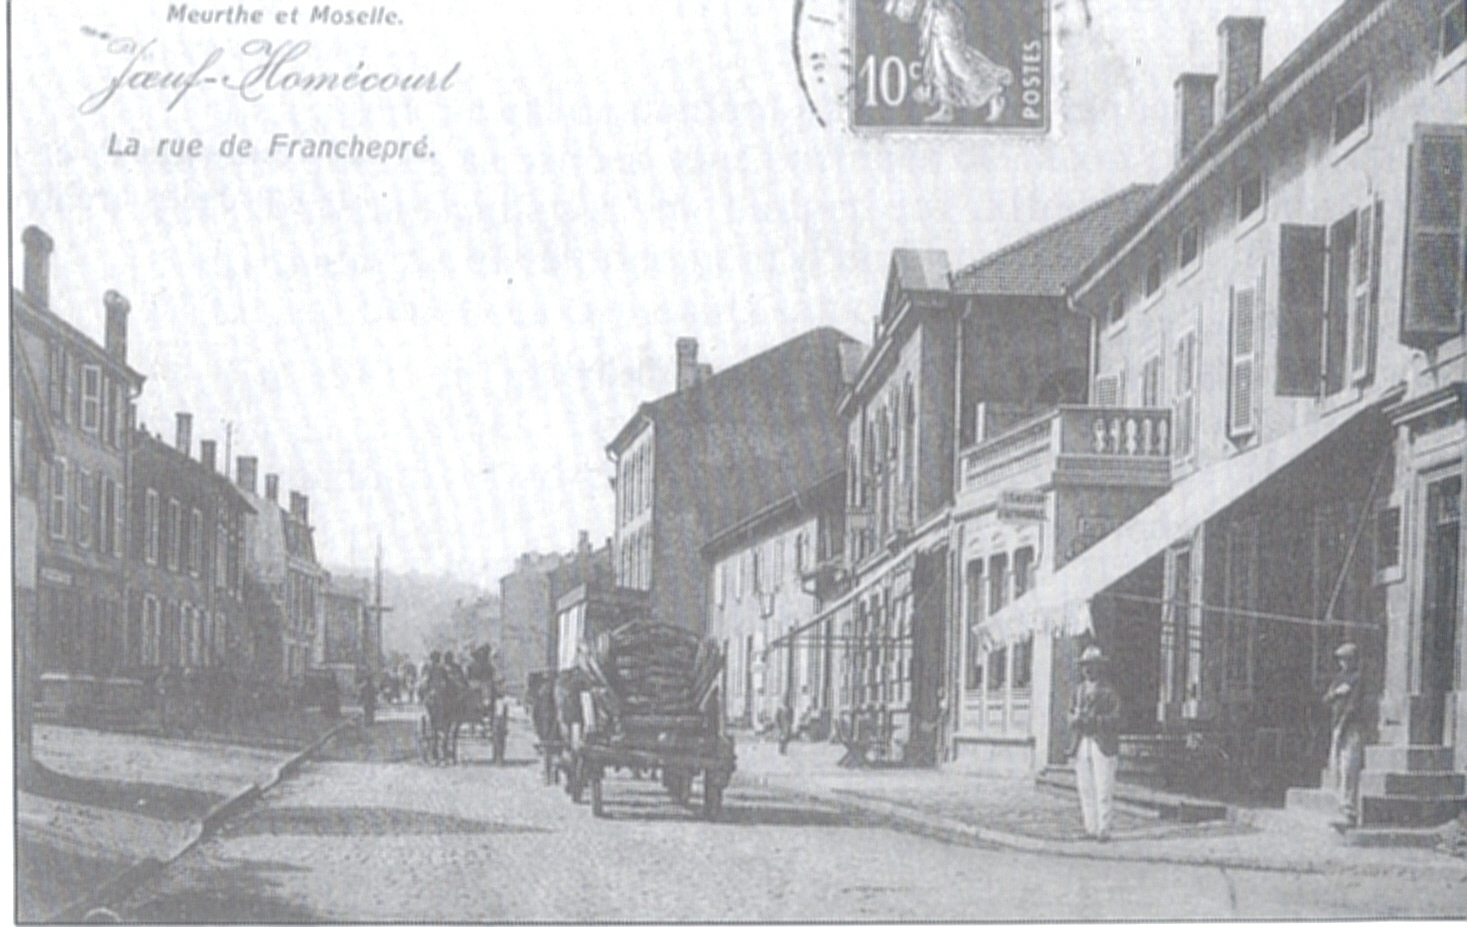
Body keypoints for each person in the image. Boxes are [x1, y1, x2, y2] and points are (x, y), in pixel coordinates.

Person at [1068, 645, 1121, 842]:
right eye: (1085, 666)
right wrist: (1075, 719)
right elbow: (1070, 713)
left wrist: (1096, 720)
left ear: (1100, 667)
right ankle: (1090, 827)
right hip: (1082, 741)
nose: (1088, 670)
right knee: (1085, 787)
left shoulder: (1108, 692)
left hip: (1102, 743)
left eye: (1092, 665)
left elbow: (1117, 718)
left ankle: (1103, 829)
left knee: (1103, 787)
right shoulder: (1078, 691)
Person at [1324, 642, 1366, 828]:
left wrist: (1342, 724)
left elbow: (1353, 706)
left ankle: (1349, 812)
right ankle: (1340, 809)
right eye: (1341, 659)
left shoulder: (1358, 679)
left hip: (1351, 727)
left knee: (1349, 768)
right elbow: (1326, 698)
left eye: (1347, 659)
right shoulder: (1339, 678)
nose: (1343, 663)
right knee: (1337, 768)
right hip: (1337, 726)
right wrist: (1336, 692)